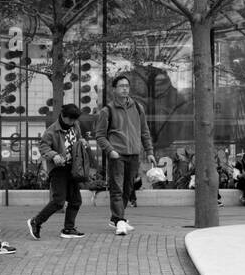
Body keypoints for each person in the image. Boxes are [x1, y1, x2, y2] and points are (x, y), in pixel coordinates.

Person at [95, 74, 156, 237]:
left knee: (128, 189)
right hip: (117, 155)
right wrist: (110, 150)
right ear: (114, 89)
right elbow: (100, 136)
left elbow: (144, 131)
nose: (124, 89)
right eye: (121, 86)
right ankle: (120, 221)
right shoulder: (107, 111)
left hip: (134, 155)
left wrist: (149, 152)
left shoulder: (137, 107)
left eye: (127, 86)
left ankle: (116, 218)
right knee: (117, 188)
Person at [28, 103, 90, 241]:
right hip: (58, 170)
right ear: (63, 116)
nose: (73, 122)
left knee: (75, 201)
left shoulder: (75, 125)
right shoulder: (51, 131)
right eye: (70, 119)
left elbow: (78, 138)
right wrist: (53, 155)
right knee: (58, 201)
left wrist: (82, 141)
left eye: (75, 120)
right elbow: (43, 146)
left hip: (73, 168)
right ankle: (36, 221)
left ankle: (68, 229)